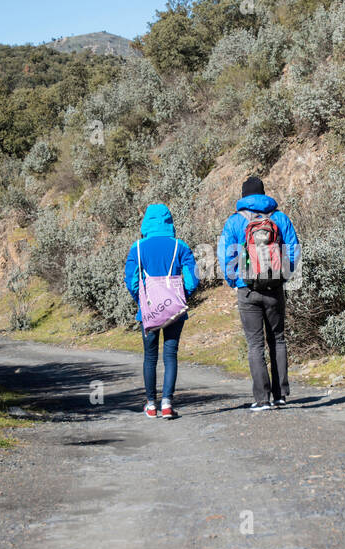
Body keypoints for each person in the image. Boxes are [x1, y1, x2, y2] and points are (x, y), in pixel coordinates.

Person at [217, 177, 300, 411]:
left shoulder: (234, 221)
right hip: (274, 287)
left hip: (247, 289)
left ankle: (262, 399)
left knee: (255, 344)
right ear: (264, 193)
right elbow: (293, 249)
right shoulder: (280, 218)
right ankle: (281, 395)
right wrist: (284, 275)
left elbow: (225, 255)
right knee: (278, 339)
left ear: (243, 196)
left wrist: (235, 280)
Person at [124, 203, 199, 419]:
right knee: (170, 354)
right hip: (174, 309)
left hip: (148, 311)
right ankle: (167, 403)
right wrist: (182, 296)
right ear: (169, 221)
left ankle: (150, 405)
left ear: (146, 222)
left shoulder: (137, 248)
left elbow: (131, 280)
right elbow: (193, 279)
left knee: (149, 357)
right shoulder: (180, 246)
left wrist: (142, 300)